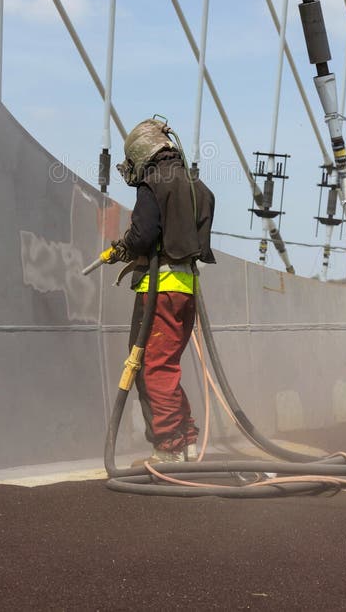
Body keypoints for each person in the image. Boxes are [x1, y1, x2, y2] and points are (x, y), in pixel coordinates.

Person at [110, 118, 216, 464]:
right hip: (185, 289)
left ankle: (169, 449)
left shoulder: (154, 182)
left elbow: (143, 234)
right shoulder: (192, 183)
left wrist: (124, 248)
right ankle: (183, 441)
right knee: (165, 365)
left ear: (141, 154)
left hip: (161, 289)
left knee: (152, 367)